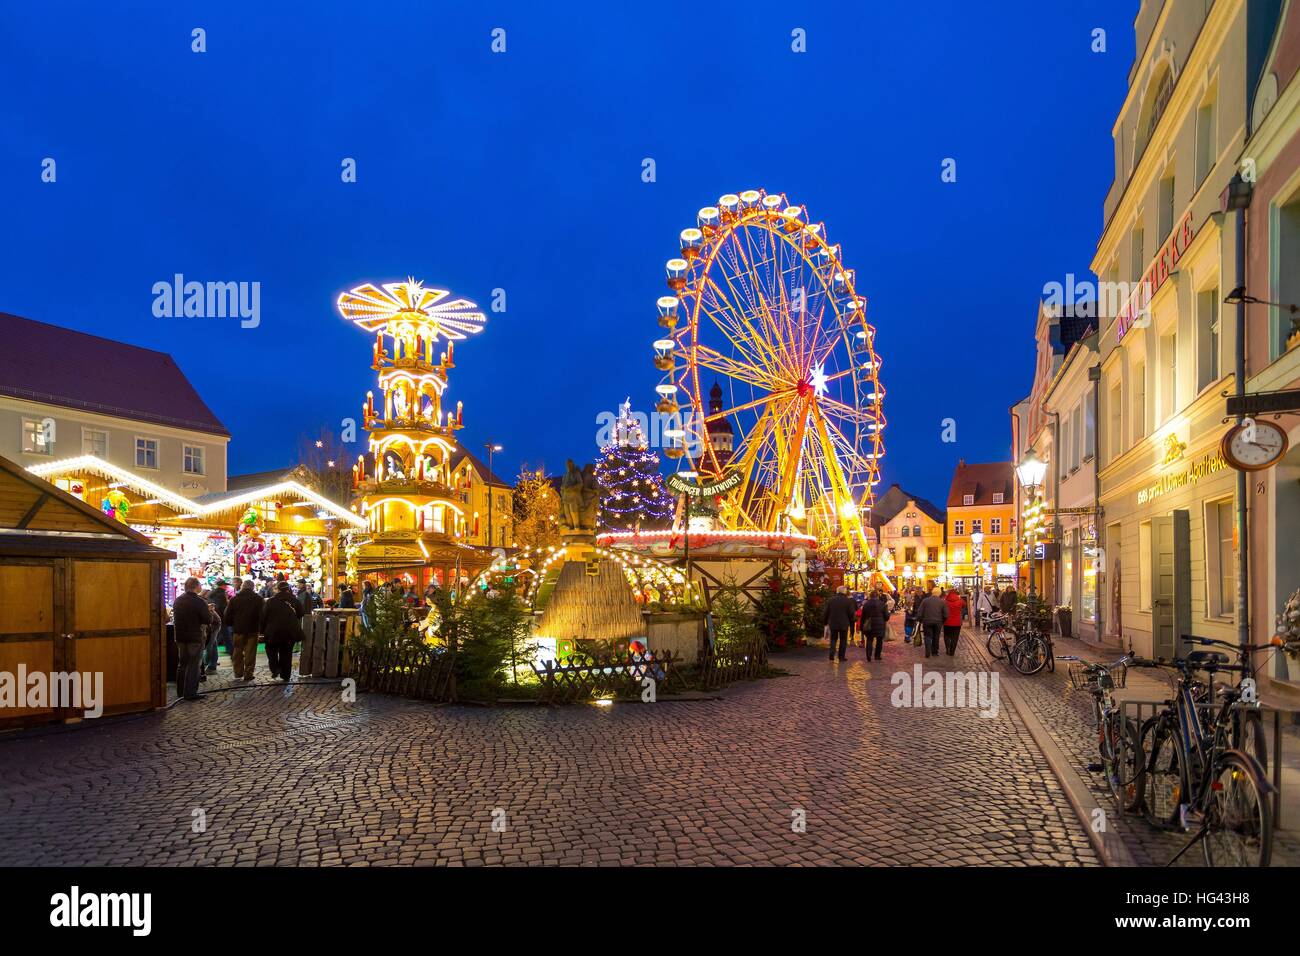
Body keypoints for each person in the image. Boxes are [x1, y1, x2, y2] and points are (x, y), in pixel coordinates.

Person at [172, 577, 210, 701]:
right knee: (194, 665)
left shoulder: (178, 600)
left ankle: (180, 691)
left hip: (180, 636)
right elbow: (207, 619)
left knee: (182, 663)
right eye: (200, 585)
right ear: (196, 586)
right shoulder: (199, 602)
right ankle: (190, 692)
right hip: (194, 637)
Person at [260, 582, 303, 681]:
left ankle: (275, 668)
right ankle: (286, 675)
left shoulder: (270, 601)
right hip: (289, 631)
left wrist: (262, 631)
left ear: (278, 589)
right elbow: (301, 613)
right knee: (287, 653)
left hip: (273, 631)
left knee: (271, 650)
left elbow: (264, 617)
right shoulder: (295, 600)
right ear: (288, 589)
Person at [224, 579, 265, 682]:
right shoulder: (258, 599)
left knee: (237, 651)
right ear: (252, 587)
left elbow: (227, 615)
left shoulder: (234, 599)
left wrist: (232, 624)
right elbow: (263, 616)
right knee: (250, 652)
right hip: (253, 630)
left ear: (242, 587)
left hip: (238, 629)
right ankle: (248, 673)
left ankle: (238, 672)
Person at [823, 585, 856, 662]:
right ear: (844, 592)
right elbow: (851, 613)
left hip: (833, 623)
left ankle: (831, 654)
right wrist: (852, 621)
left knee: (833, 639)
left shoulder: (831, 600)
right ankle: (841, 657)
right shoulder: (848, 601)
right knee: (843, 640)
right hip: (844, 624)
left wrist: (825, 622)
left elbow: (826, 612)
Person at [204, 579, 229, 674]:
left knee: (213, 642)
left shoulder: (211, 593)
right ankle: (211, 664)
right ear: (222, 586)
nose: (226, 587)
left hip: (213, 621)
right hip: (217, 621)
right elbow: (221, 607)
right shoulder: (221, 595)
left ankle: (211, 663)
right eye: (225, 585)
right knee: (212, 643)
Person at [860, 589, 890, 662]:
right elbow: (886, 616)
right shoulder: (882, 604)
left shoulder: (866, 604)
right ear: (878, 596)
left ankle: (868, 656)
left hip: (869, 625)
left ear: (870, 596)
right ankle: (877, 655)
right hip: (880, 625)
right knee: (879, 641)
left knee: (869, 640)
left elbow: (863, 616)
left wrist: (861, 626)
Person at [918, 586, 947, 659]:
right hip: (938, 622)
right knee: (936, 636)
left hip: (927, 621)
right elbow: (946, 614)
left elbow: (920, 612)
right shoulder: (942, 602)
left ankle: (927, 651)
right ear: (939, 593)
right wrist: (942, 621)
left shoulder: (925, 600)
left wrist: (920, 620)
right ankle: (935, 652)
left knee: (927, 636)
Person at [943, 587, 964, 656]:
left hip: (947, 622)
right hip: (957, 623)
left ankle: (947, 649)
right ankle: (952, 652)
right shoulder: (960, 601)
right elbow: (964, 605)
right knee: (955, 637)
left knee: (946, 636)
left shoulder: (945, 601)